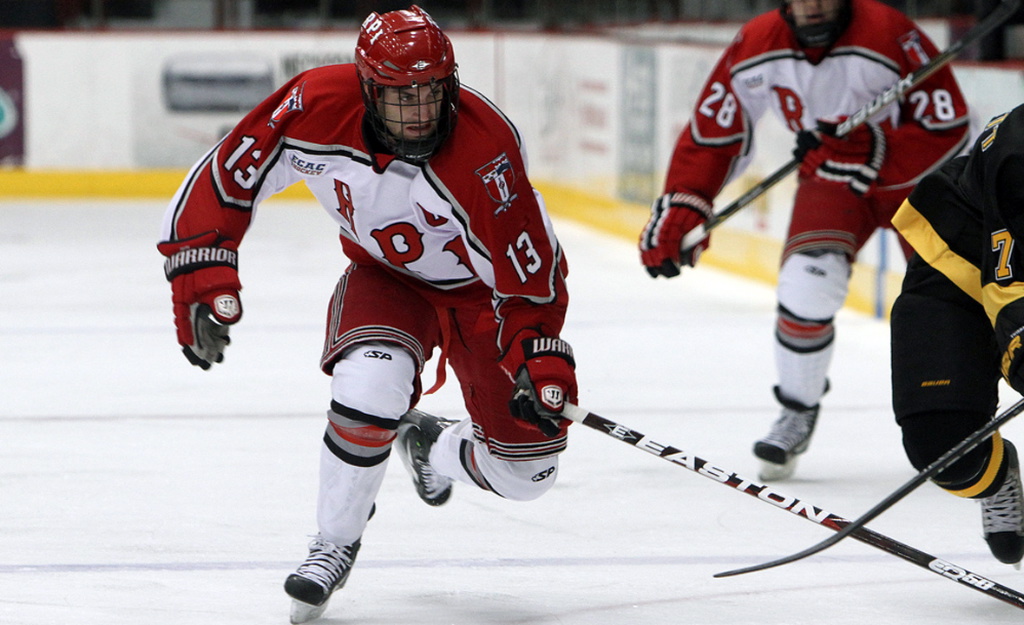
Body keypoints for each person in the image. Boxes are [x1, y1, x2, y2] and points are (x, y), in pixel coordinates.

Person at [157, 6, 578, 623]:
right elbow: (229, 176)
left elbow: (529, 273)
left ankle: (431, 446)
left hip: (484, 296)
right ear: (366, 87)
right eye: (400, 95)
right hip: (387, 279)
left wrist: (535, 354)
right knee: (368, 383)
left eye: (431, 91)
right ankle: (333, 542)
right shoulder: (313, 105)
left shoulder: (485, 153)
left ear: (450, 84)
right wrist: (201, 273)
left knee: (528, 476)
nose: (420, 110)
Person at [638, 0, 970, 481]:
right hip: (832, 176)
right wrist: (688, 201)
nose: (813, 6)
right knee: (806, 282)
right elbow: (716, 131)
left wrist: (875, 148)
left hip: (918, 183)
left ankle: (961, 424)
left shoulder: (887, 30)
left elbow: (948, 126)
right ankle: (797, 408)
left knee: (948, 301)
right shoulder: (756, 43)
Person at [889, 104, 1024, 566]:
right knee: (943, 447)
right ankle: (998, 478)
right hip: (958, 268)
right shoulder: (1019, 151)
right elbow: (1012, 281)